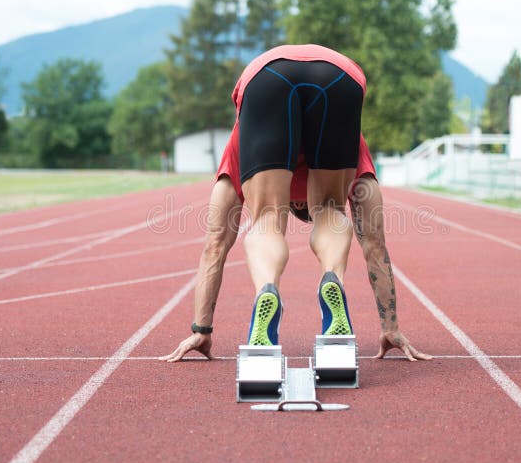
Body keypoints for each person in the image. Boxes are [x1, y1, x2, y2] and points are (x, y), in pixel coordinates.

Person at [162, 125, 431, 361]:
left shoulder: (244, 139)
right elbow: (375, 246)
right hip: (333, 101)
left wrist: (202, 330)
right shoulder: (352, 147)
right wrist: (390, 327)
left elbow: (214, 248)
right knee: (332, 213)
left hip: (264, 109)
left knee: (265, 222)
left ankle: (266, 288)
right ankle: (332, 274)